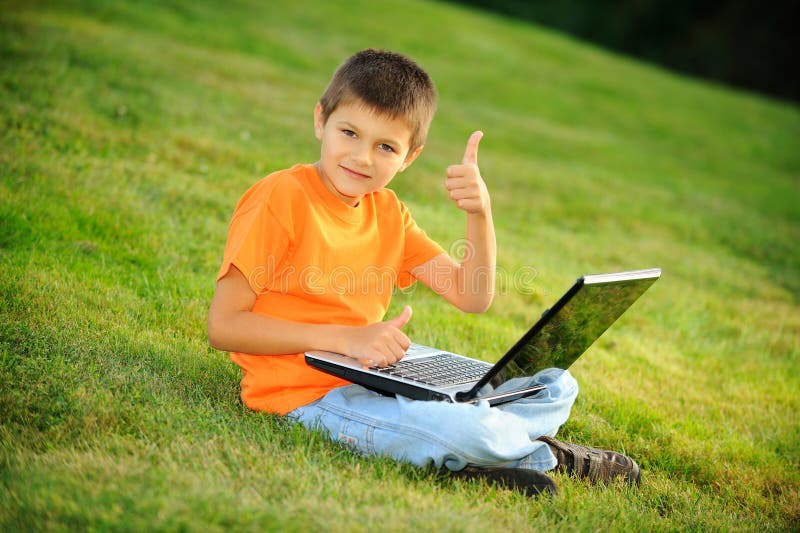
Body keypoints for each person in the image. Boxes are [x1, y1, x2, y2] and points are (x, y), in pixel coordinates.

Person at [207, 49, 640, 496]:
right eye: (349, 133)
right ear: (321, 120)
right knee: (462, 428)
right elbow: (224, 326)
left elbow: (472, 296)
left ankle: (477, 440)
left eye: (385, 147)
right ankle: (534, 452)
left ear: (410, 156)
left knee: (555, 384)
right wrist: (345, 338)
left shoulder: (389, 212)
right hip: (304, 395)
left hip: (370, 370)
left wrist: (480, 213)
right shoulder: (280, 197)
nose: (362, 158)